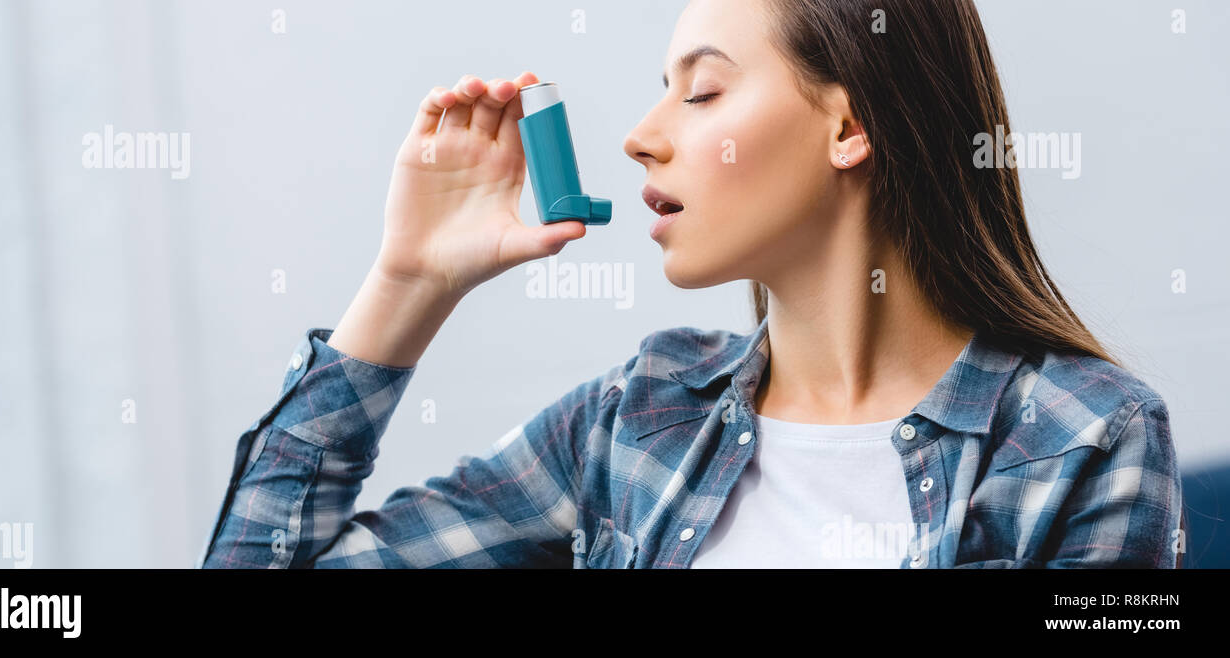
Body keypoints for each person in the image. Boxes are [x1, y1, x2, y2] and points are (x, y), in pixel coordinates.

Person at [199, 0, 1184, 569]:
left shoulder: (1084, 441)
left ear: (848, 127)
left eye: (701, 89)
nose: (643, 133)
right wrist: (408, 281)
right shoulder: (633, 423)